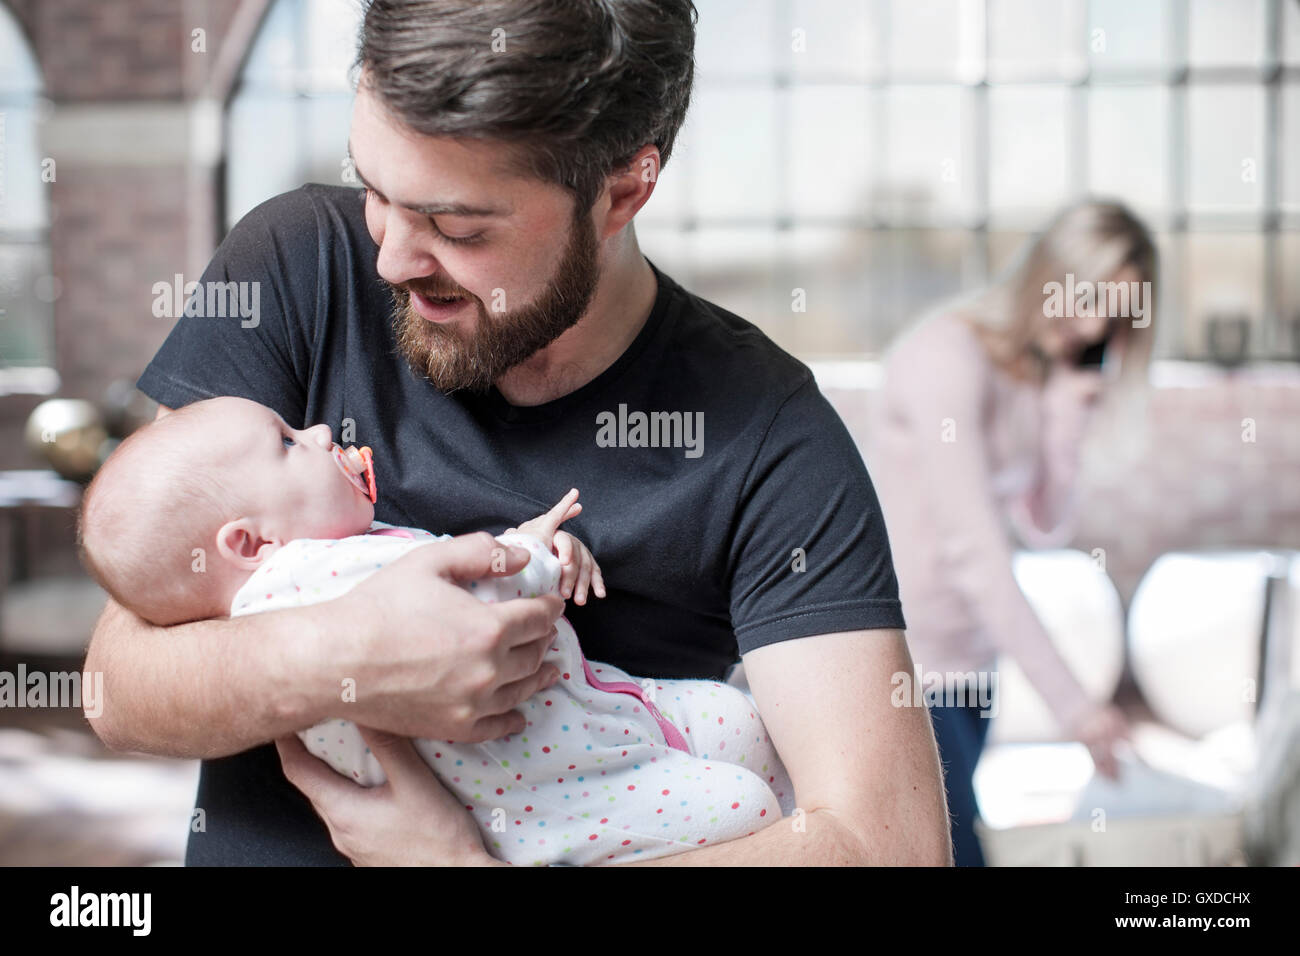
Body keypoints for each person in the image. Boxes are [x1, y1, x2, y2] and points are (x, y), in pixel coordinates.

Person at [84, 0, 950, 866]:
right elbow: (118, 686)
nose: (389, 258)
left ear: (621, 192)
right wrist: (346, 654)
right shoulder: (298, 264)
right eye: (377, 192)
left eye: (457, 228)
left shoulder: (769, 437)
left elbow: (888, 845)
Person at [76, 395, 794, 865]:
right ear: (249, 545)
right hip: (548, 797)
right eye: (290, 443)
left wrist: (521, 542)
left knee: (739, 725)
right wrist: (535, 557)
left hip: (589, 718)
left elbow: (441, 577)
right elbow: (466, 611)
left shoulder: (337, 558)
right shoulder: (292, 588)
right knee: (747, 806)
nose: (322, 431)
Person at [869, 199, 1157, 866]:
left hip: (973, 664)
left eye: (1113, 319)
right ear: (1047, 277)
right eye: (1085, 301)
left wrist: (1064, 420)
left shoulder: (1034, 371)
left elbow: (1045, 525)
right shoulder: (944, 358)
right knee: (953, 853)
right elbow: (977, 556)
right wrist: (1077, 708)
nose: (1091, 328)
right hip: (907, 663)